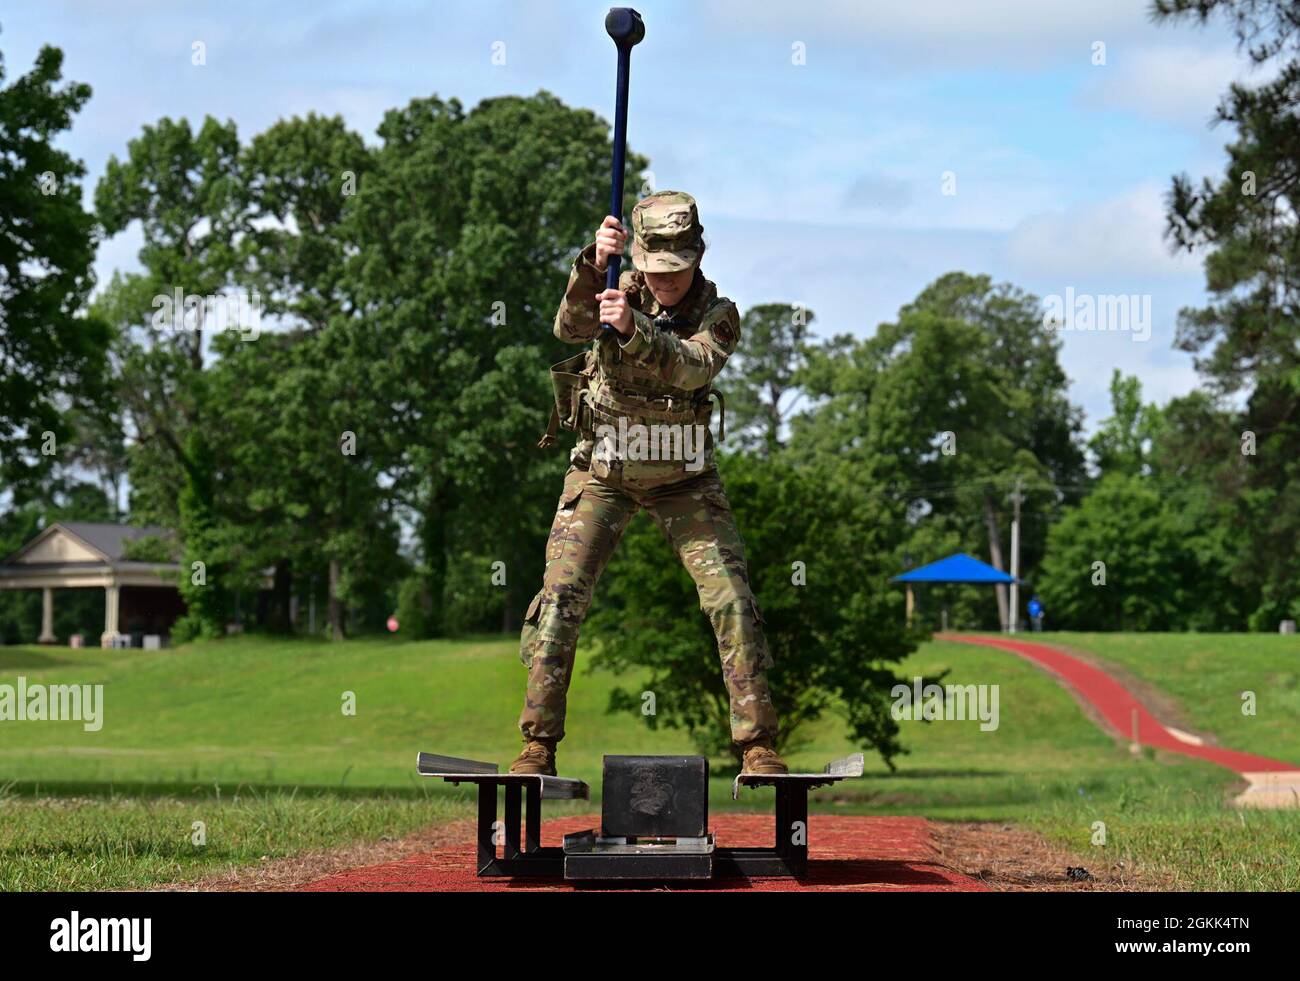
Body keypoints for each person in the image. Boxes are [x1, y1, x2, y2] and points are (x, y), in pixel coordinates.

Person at [509, 190, 787, 777]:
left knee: (731, 600)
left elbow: (691, 367)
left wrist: (634, 329)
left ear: (697, 259)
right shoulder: (617, 282)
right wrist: (590, 266)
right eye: (655, 269)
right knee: (560, 598)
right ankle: (538, 745)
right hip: (603, 470)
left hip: (682, 477)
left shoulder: (720, 313)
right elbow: (569, 329)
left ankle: (757, 744)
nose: (665, 282)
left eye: (677, 271)